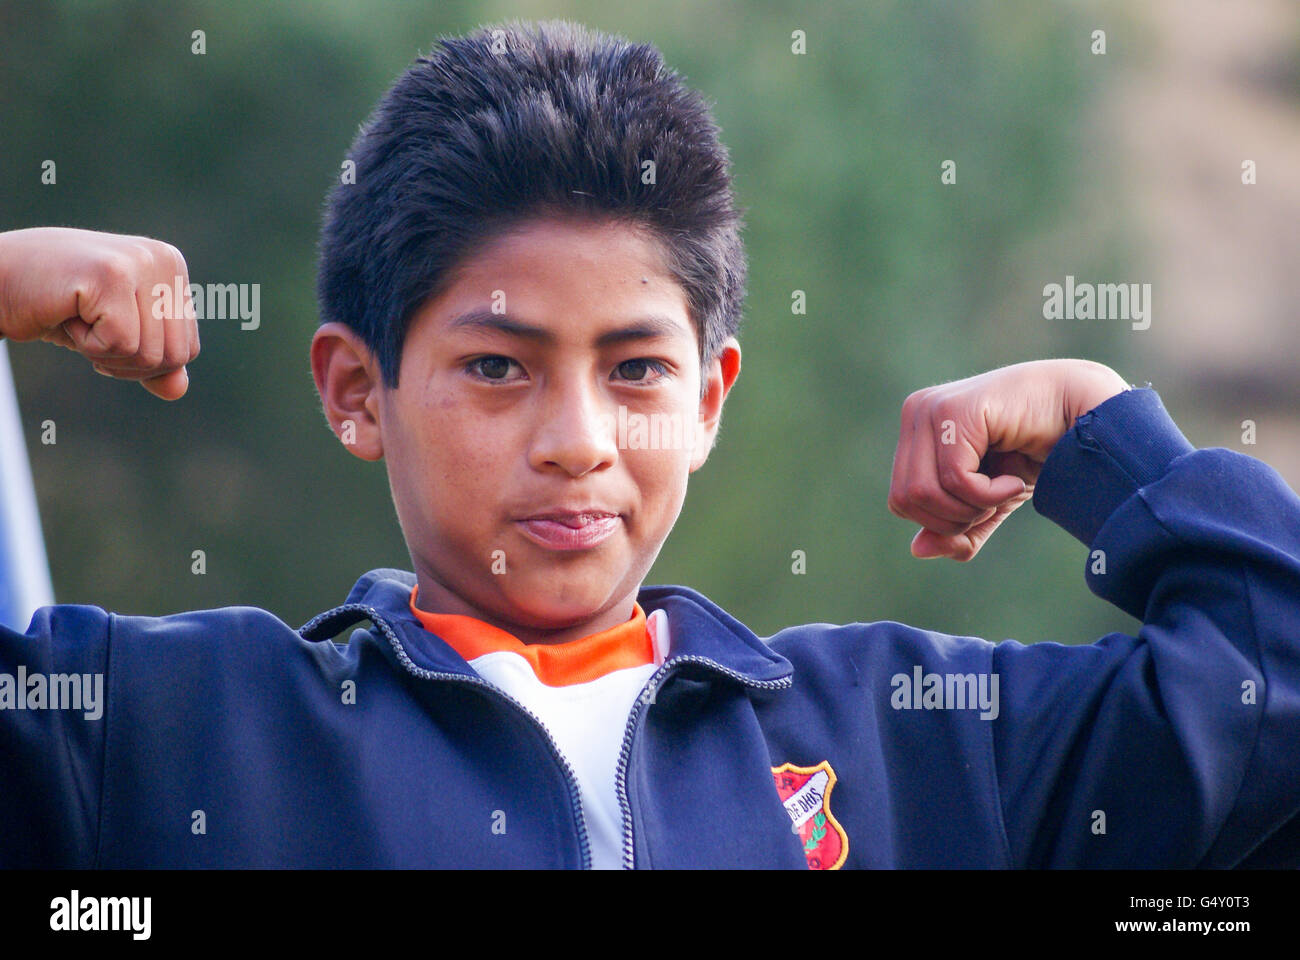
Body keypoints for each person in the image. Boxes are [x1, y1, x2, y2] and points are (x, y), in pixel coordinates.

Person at [1, 19, 1297, 869]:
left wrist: (1100, 431)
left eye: (636, 371)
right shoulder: (161, 730)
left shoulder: (924, 743)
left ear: (713, 398)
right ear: (356, 389)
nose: (578, 443)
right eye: (498, 368)